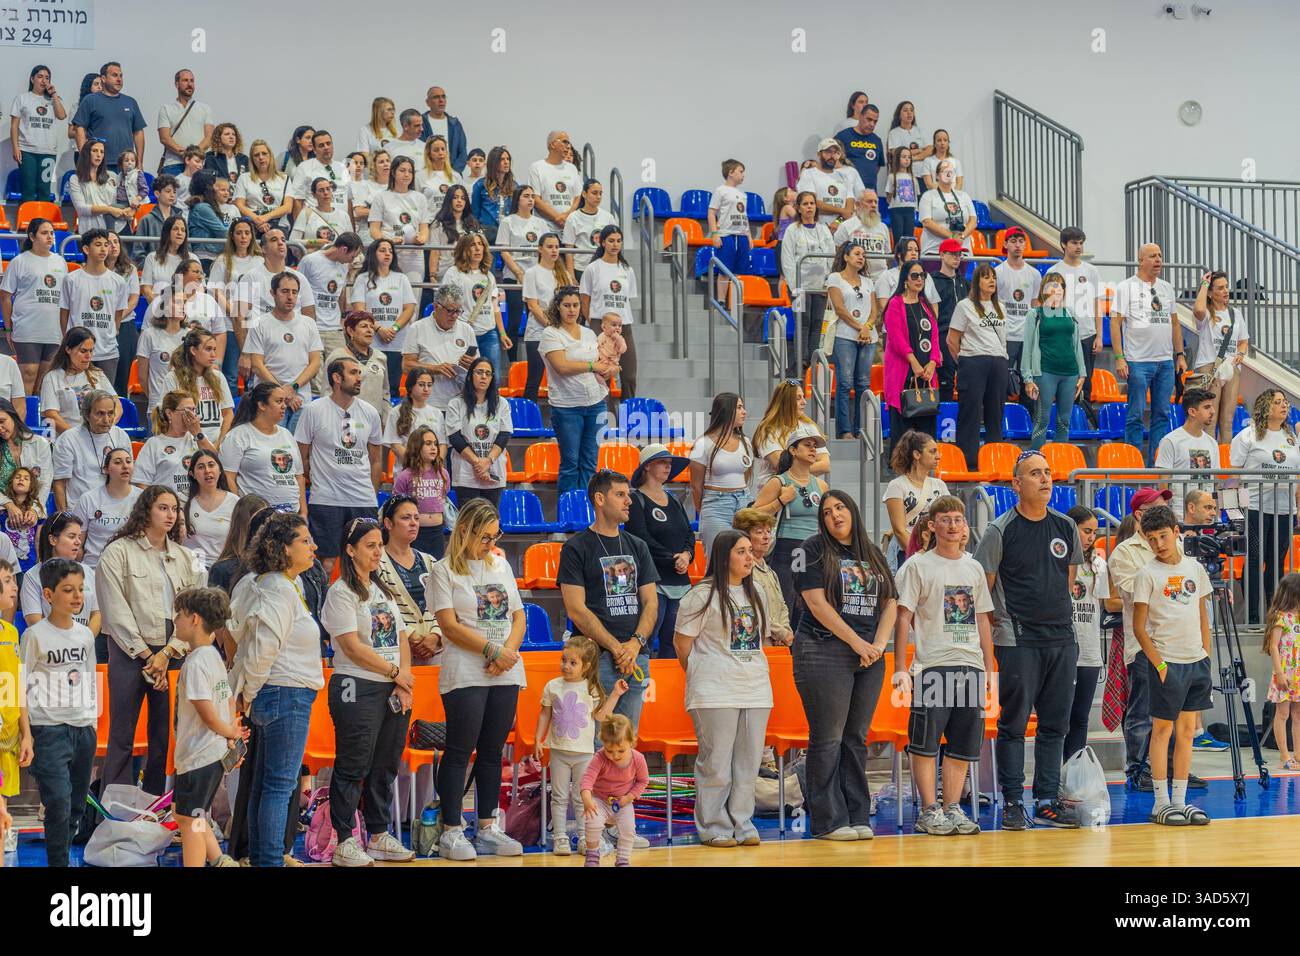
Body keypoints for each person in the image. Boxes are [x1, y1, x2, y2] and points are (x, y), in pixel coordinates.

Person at [973, 451, 1083, 829]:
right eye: (1035, 474)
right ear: (1017, 484)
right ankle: (1014, 802)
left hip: (1062, 639)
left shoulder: (1066, 527)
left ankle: (1048, 800)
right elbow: (981, 593)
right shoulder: (999, 531)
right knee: (1014, 725)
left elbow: (1067, 581)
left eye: (1048, 473)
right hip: (1017, 641)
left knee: (1056, 725)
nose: (1045, 479)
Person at [793, 490, 897, 840]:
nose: (834, 515)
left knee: (856, 739)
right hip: (823, 651)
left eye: (840, 507)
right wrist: (857, 643)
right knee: (828, 738)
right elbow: (817, 604)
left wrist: (879, 646)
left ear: (852, 510)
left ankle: (857, 816)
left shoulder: (873, 553)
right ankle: (828, 821)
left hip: (869, 655)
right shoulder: (811, 550)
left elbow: (891, 603)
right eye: (826, 512)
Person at [428, 498, 525, 860]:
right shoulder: (444, 571)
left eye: (494, 535)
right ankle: (452, 830)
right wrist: (491, 651)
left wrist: (507, 653)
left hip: (505, 669)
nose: (490, 544)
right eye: (484, 537)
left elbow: (518, 617)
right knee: (458, 750)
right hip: (466, 671)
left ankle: (487, 827)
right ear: (464, 531)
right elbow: (449, 625)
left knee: (491, 752)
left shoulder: (500, 564)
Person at [226, 512, 323, 867]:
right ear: (282, 548)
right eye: (303, 541)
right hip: (284, 694)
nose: (313, 546)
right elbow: (261, 648)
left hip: (276, 693)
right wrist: (248, 692)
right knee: (279, 788)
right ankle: (269, 861)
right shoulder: (277, 589)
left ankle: (262, 858)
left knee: (266, 786)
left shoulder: (271, 583)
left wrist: (250, 692)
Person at [893, 496, 993, 835]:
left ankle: (952, 808)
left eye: (958, 519)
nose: (952, 525)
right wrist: (900, 668)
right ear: (931, 525)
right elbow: (902, 617)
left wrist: (989, 668)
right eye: (945, 519)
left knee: (963, 745)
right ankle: (928, 809)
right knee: (925, 743)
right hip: (932, 666)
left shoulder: (974, 567)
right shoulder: (917, 566)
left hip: (971, 666)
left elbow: (982, 621)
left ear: (965, 525)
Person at [321, 517, 417, 867]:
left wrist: (403, 677)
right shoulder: (340, 592)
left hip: (392, 687)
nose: (379, 552)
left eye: (380, 544)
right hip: (355, 686)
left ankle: (378, 835)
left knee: (385, 764)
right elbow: (351, 645)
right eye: (371, 546)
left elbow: (402, 636)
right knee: (353, 764)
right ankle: (345, 839)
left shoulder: (385, 590)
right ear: (350, 550)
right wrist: (395, 672)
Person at [97, 485, 205, 795]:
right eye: (163, 507)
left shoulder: (187, 557)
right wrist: (148, 656)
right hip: (130, 652)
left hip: (172, 653)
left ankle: (156, 804)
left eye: (174, 509)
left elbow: (194, 609)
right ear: (146, 510)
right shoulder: (118, 551)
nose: (170, 514)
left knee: (164, 737)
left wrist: (169, 652)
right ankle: (115, 811)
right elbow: (114, 610)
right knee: (122, 735)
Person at [671, 530, 773, 847]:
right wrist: (704, 674)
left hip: (755, 688)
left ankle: (742, 823)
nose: (749, 556)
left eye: (749, 551)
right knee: (716, 763)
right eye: (741, 551)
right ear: (724, 556)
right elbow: (681, 644)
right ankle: (714, 825)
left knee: (748, 762)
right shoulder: (701, 595)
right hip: (714, 690)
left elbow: (761, 641)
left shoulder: (757, 592)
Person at [560, 469, 659, 736]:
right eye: (620, 495)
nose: (629, 501)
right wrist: (617, 649)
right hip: (596, 658)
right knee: (595, 743)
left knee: (626, 743)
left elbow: (650, 602)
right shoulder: (576, 547)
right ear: (600, 499)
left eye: (628, 494)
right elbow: (576, 609)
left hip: (636, 656)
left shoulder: (638, 545)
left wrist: (635, 644)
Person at [1131, 505, 1214, 826]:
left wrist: (1205, 654)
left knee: (1187, 733)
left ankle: (1180, 800)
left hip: (1196, 661)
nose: (1158, 544)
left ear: (1177, 532)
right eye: (1151, 540)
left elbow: (1203, 616)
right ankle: (1160, 801)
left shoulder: (1195, 568)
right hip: (1167, 662)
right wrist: (1160, 664)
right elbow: (1139, 628)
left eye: (1163, 536)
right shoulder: (1147, 574)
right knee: (1162, 731)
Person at [19, 558, 98, 866]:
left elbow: (90, 679)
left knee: (76, 807)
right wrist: (27, 734)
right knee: (59, 805)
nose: (77, 596)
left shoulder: (85, 636)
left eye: (80, 589)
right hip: (48, 731)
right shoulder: (34, 635)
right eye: (68, 590)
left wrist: (91, 720)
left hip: (83, 730)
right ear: (49, 595)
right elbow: (17, 686)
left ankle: (61, 858)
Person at [534, 637, 627, 854]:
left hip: (584, 754)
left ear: (586, 666)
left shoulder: (591, 688)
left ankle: (585, 837)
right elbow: (544, 714)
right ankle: (560, 838)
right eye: (563, 660)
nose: (566, 665)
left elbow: (602, 716)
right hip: (558, 752)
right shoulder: (552, 686)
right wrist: (538, 740)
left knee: (581, 797)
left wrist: (615, 694)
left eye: (572, 662)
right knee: (558, 797)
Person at [171, 586, 242, 868]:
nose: (175, 619)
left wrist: (230, 733)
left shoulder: (197, 662)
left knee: (189, 821)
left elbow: (208, 713)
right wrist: (229, 735)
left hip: (199, 754)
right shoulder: (213, 656)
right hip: (208, 753)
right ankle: (220, 860)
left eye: (180, 614)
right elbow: (226, 704)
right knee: (193, 816)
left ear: (195, 619)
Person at [295, 356, 382, 575]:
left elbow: (376, 460)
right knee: (327, 563)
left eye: (359, 373)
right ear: (336, 377)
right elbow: (300, 457)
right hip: (326, 498)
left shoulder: (370, 412)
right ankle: (323, 608)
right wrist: (313, 482)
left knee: (366, 563)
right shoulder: (313, 410)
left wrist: (371, 493)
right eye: (353, 373)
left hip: (362, 498)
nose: (359, 378)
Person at [1112, 243, 1188, 465]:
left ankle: (1158, 463)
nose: (1158, 260)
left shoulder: (1167, 288)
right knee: (1135, 415)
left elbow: (1174, 324)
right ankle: (1133, 463)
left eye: (1160, 256)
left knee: (1161, 415)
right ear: (1141, 260)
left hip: (1164, 361)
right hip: (1137, 361)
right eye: (1153, 256)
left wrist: (1180, 355)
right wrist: (1119, 357)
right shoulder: (1126, 287)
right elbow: (1115, 323)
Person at [1230, 388, 1300, 623]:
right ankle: (1252, 616)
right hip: (1255, 507)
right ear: (1265, 407)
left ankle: (1274, 617)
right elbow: (1233, 475)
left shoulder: (1291, 437)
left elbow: (1297, 477)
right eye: (1278, 402)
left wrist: (1297, 509)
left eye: (1285, 402)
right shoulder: (1248, 436)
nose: (1284, 406)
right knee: (1254, 560)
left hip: (1284, 508)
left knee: (1277, 564)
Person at [753, 423, 829, 623]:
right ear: (793, 450)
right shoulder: (779, 482)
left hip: (813, 551)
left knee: (810, 610)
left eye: (815, 445)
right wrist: (780, 501)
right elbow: (751, 515)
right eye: (807, 445)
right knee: (784, 607)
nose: (813, 449)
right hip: (787, 550)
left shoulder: (821, 485)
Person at [541, 287, 612, 495]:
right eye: (566, 305)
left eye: (575, 305)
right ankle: (570, 512)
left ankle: (587, 514)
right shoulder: (550, 333)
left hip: (596, 402)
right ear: (558, 307)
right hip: (566, 407)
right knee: (570, 464)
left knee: (590, 463)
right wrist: (592, 367)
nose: (572, 310)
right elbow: (561, 367)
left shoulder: (590, 333)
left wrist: (609, 368)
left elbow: (602, 363)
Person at [625, 444, 693, 658]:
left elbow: (689, 533)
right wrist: (673, 559)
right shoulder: (636, 500)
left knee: (674, 643)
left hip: (680, 580)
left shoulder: (673, 498)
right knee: (647, 638)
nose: (668, 466)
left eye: (670, 463)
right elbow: (640, 539)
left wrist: (687, 555)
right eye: (663, 462)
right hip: (653, 581)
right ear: (647, 467)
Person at [1065, 505, 1120, 761]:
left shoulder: (1098, 563)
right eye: (1086, 531)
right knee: (1058, 719)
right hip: (1062, 649)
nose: (1090, 537)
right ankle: (1054, 778)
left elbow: (1107, 604)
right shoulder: (1059, 559)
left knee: (1080, 718)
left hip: (1089, 650)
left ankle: (1074, 773)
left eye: (1094, 532)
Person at [945, 263, 1008, 468]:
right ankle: (967, 462)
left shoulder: (1001, 307)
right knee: (970, 414)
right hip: (972, 362)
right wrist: (965, 361)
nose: (991, 281)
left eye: (994, 277)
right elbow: (952, 340)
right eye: (986, 277)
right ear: (976, 281)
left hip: (998, 362)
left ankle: (994, 461)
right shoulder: (965, 305)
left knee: (995, 415)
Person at [244, 271, 323, 430]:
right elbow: (257, 365)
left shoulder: (308, 323)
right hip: (269, 401)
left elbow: (315, 363)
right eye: (285, 291)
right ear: (273, 293)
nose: (290, 296)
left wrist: (293, 388)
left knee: (299, 452)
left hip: (301, 399)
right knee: (274, 450)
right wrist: (282, 393)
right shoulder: (259, 323)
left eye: (294, 292)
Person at [1, 218, 70, 394]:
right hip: (28, 327)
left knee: (45, 380)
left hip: (53, 330)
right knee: (28, 374)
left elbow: (66, 299)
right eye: (44, 233)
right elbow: (5, 296)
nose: (50, 237)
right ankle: (22, 419)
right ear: (32, 236)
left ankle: (40, 420)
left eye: (52, 233)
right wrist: (8, 329)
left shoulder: (60, 262)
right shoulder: (19, 261)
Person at [1021, 272, 1085, 450]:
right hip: (1045, 372)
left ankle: (1060, 462)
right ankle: (1035, 461)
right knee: (1042, 419)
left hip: (1070, 373)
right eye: (1053, 285)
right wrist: (1027, 378)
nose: (1057, 289)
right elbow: (1027, 348)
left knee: (1064, 420)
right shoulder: (1035, 314)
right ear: (1044, 289)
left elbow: (1076, 344)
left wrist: (1082, 373)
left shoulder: (1069, 313)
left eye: (1061, 285)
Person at [20, 514, 102, 653]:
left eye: (79, 537)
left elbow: (97, 614)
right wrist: (64, 646)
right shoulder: (33, 576)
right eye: (71, 536)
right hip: (48, 652)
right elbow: (34, 620)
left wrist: (84, 641)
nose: (77, 542)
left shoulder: (88, 572)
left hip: (83, 649)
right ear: (53, 539)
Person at [1045, 226, 1104, 419]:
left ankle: (1083, 418)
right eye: (1074, 243)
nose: (1079, 247)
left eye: (1081, 243)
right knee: (1062, 379)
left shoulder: (1092, 271)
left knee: (1085, 382)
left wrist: (1099, 335)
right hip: (1063, 336)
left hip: (1087, 334)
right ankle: (1062, 419)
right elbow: (1048, 306)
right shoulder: (1054, 272)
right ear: (1063, 244)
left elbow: (1097, 305)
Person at [376, 495, 442, 665]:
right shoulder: (376, 562)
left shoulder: (430, 561)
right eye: (406, 518)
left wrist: (435, 635)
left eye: (416, 518)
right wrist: (410, 634)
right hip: (395, 651)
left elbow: (444, 604)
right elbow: (381, 608)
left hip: (435, 650)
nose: (413, 523)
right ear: (388, 523)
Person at [220, 383, 305, 513]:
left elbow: (299, 477)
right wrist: (240, 511)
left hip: (291, 515)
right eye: (278, 401)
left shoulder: (287, 434)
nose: (284, 406)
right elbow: (228, 477)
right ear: (262, 405)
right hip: (256, 515)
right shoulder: (238, 435)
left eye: (284, 401)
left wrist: (303, 512)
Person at [883, 262, 941, 448]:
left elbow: (934, 336)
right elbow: (896, 338)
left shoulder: (926, 305)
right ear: (905, 280)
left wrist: (932, 362)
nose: (919, 279)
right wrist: (914, 363)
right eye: (914, 275)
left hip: (926, 375)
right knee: (903, 431)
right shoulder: (895, 304)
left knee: (926, 430)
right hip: (904, 373)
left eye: (922, 275)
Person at [444, 356, 512, 510]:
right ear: (470, 376)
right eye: (479, 372)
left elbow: (504, 435)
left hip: (494, 471)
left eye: (488, 373)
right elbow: (455, 438)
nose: (483, 377)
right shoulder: (456, 403)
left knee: (490, 523)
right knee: (468, 524)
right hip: (466, 473)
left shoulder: (502, 403)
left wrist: (487, 462)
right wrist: (478, 463)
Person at [824, 243, 877, 438]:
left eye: (863, 254)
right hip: (844, 335)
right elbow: (839, 309)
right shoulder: (835, 278)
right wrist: (860, 328)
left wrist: (868, 327)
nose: (861, 257)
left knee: (863, 384)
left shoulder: (868, 281)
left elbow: (874, 311)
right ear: (846, 257)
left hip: (868, 336)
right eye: (856, 254)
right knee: (845, 383)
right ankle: (845, 430)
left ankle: (861, 430)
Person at [579, 714, 648, 867]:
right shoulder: (599, 758)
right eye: (610, 751)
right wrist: (586, 798)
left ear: (632, 741)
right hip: (600, 800)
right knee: (592, 822)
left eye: (621, 751)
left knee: (628, 829)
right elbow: (587, 779)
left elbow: (643, 781)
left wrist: (629, 797)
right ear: (603, 743)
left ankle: (623, 860)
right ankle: (592, 856)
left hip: (623, 802)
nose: (615, 755)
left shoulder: (638, 759)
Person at [59, 228, 126, 382]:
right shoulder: (71, 279)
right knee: (78, 396)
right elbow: (64, 313)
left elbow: (118, 314)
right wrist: (70, 341)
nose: (103, 249)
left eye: (106, 244)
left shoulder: (118, 281)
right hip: (77, 350)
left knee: (106, 398)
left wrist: (112, 332)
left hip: (107, 350)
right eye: (98, 244)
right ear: (86, 249)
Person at [690, 392, 752, 555]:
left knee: (744, 557)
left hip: (744, 502)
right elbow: (696, 487)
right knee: (717, 559)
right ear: (726, 411)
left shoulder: (746, 442)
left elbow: (745, 475)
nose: (744, 411)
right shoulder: (702, 444)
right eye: (739, 407)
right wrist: (705, 511)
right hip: (716, 505)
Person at [579, 226, 638, 398]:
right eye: (611, 240)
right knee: (602, 374)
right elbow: (584, 299)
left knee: (629, 376)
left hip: (624, 325)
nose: (615, 244)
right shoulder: (593, 268)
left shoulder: (627, 270)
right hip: (600, 324)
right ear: (602, 242)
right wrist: (594, 325)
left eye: (619, 241)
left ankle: (628, 416)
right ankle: (607, 416)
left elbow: (628, 299)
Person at [299, 234, 364, 389]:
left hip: (334, 328)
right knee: (316, 379)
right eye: (352, 256)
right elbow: (297, 290)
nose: (353, 260)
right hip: (314, 327)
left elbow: (340, 293)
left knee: (342, 376)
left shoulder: (343, 265)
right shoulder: (310, 261)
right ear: (343, 249)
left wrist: (342, 316)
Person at [1191, 270, 1250, 438]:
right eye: (1220, 288)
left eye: (1227, 287)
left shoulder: (1235, 314)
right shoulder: (1206, 313)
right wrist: (1204, 284)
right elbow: (1199, 309)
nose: (1226, 291)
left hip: (1231, 367)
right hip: (1209, 366)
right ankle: (1210, 461)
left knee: (1228, 420)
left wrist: (1241, 353)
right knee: (1209, 419)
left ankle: (1225, 460)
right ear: (1210, 293)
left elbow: (1243, 340)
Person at [354, 239, 418, 393]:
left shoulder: (401, 278)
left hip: (397, 341)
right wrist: (378, 328)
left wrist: (394, 328)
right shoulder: (363, 278)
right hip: (371, 342)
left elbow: (409, 308)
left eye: (390, 250)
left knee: (394, 388)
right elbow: (359, 310)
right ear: (373, 254)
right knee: (369, 388)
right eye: (382, 250)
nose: (387, 253)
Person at [781, 191, 836, 371]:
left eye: (812, 203)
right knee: (802, 323)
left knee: (817, 323)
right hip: (800, 287)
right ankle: (800, 361)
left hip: (820, 286)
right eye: (805, 204)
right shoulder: (792, 230)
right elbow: (787, 260)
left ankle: (813, 360)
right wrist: (794, 286)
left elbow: (831, 256)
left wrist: (827, 282)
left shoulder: (823, 229)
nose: (810, 207)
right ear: (798, 207)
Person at [51, 390, 130, 511]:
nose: (106, 420)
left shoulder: (121, 435)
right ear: (87, 415)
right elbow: (59, 483)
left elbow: (128, 477)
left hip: (117, 509)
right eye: (100, 414)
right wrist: (65, 518)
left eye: (110, 413)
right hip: (80, 511)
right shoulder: (68, 439)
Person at [402, 281, 476, 408]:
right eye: (450, 311)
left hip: (459, 404)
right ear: (436, 307)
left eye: (458, 311)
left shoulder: (466, 329)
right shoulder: (417, 328)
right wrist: (435, 369)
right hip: (428, 404)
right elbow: (406, 366)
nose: (455, 316)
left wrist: (472, 364)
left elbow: (476, 366)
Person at [882, 430, 948, 569]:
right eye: (932, 451)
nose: (938, 456)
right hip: (907, 554)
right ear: (917, 455)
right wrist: (920, 558)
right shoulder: (897, 485)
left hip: (937, 552)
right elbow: (900, 530)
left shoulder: (939, 485)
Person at [446, 233, 507, 377]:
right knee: (463, 377)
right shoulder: (454, 273)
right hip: (464, 332)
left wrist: (502, 333)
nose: (478, 248)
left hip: (489, 333)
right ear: (464, 249)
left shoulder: (489, 276)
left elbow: (495, 307)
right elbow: (446, 304)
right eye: (473, 245)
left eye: (481, 244)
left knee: (494, 379)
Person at [752, 380, 830, 490]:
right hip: (775, 492)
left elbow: (825, 465)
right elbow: (781, 466)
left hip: (806, 490)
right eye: (798, 398)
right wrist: (809, 466)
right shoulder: (768, 430)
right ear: (785, 402)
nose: (804, 402)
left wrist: (796, 468)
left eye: (803, 397)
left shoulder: (809, 426)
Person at [1154, 386, 1219, 519]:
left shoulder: (1212, 443)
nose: (1213, 411)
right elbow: (1163, 482)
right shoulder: (1170, 440)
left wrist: (1217, 513)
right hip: (1180, 513)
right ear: (1192, 412)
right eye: (1207, 407)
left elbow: (1215, 482)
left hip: (1207, 515)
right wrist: (1168, 514)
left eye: (1212, 407)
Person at [524, 234, 575, 403]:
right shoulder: (532, 273)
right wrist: (551, 326)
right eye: (549, 246)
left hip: (561, 335)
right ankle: (527, 420)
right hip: (538, 333)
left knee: (563, 380)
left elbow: (570, 304)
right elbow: (533, 305)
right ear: (540, 249)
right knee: (534, 379)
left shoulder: (564, 275)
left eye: (556, 247)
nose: (554, 250)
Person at [162, 327, 234, 446]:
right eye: (208, 349)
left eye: (214, 349)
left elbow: (228, 414)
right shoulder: (173, 378)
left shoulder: (218, 377)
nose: (213, 355)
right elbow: (167, 415)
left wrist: (219, 443)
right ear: (193, 350)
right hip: (185, 444)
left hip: (217, 445)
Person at [496, 185, 545, 358]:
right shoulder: (508, 222)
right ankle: (512, 362)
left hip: (536, 277)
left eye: (533, 196)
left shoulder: (541, 223)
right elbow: (503, 250)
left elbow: (545, 251)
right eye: (526, 196)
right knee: (515, 320)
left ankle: (538, 360)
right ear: (518, 199)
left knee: (537, 321)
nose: (531, 199)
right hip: (514, 277)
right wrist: (518, 272)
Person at [71, 61, 146, 174]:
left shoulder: (130, 102)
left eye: (121, 76)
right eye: (114, 75)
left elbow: (138, 132)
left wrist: (139, 162)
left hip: (127, 164)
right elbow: (79, 129)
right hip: (99, 163)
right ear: (103, 78)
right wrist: (84, 158)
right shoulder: (90, 100)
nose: (119, 79)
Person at [72, 445, 140, 563]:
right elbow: (77, 543)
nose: (125, 466)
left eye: (129, 461)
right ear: (106, 469)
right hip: (95, 568)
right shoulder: (88, 499)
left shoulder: (143, 498)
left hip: (132, 568)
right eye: (118, 462)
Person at [392, 425, 450, 559]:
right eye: (428, 444)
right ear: (417, 447)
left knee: (435, 568)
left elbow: (444, 494)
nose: (434, 447)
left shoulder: (443, 473)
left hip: (437, 532)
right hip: (414, 533)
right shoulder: (405, 476)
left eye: (435, 443)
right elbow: (397, 504)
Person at [10, 65, 67, 202]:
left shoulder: (54, 100)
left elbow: (62, 116)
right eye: (40, 77)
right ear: (32, 79)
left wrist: (54, 95)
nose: (43, 81)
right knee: (28, 189)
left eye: (47, 78)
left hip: (48, 152)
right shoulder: (22, 98)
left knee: (44, 190)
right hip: (27, 151)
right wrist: (15, 148)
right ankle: (28, 222)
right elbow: (14, 125)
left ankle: (43, 223)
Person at [326, 310, 390, 425]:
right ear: (350, 331)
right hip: (343, 421)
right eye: (364, 326)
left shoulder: (380, 357)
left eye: (371, 327)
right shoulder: (337, 356)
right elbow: (327, 391)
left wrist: (385, 422)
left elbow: (385, 393)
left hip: (374, 421)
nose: (370, 330)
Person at [1264, 574, 1300, 770]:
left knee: (1298, 715)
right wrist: (1279, 673)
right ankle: (1284, 756)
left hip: (1299, 672)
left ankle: (1298, 754)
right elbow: (1274, 646)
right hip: (1285, 671)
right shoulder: (1281, 616)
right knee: (1283, 713)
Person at [0, 396, 53, 526]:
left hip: (33, 513)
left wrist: (34, 510)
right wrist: (8, 504)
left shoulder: (40, 444)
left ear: (12, 415)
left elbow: (45, 482)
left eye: (2, 421)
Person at [706, 159, 752, 301]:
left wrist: (749, 236)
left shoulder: (743, 195)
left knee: (739, 272)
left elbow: (744, 216)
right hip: (726, 235)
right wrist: (715, 234)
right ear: (731, 172)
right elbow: (711, 213)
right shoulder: (721, 191)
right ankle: (721, 301)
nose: (743, 175)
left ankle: (734, 303)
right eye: (740, 171)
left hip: (742, 236)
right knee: (725, 271)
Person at [183, 449, 236, 568]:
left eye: (211, 465)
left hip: (223, 569)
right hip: (192, 569)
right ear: (192, 474)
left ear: (220, 470)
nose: (207, 471)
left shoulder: (234, 502)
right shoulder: (183, 502)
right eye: (201, 467)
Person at [384, 367, 445, 465]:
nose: (426, 389)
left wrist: (434, 466)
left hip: (431, 472)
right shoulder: (396, 412)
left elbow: (442, 444)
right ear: (410, 386)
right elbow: (395, 445)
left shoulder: (437, 413)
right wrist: (415, 465)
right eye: (421, 385)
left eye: (429, 385)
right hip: (406, 470)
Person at [918, 159, 976, 259]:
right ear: (937, 176)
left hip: (962, 251)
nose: (948, 172)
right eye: (944, 170)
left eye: (951, 170)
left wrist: (961, 236)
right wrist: (952, 236)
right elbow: (927, 222)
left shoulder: (964, 196)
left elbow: (973, 221)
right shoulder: (928, 196)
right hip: (935, 250)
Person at [233, 140, 292, 237]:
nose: (261, 157)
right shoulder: (244, 178)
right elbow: (239, 205)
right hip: (252, 223)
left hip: (278, 224)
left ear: (270, 156)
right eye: (256, 155)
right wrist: (257, 220)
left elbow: (288, 207)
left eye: (264, 153)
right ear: (252, 159)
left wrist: (265, 218)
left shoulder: (284, 178)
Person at [288, 130, 350, 220]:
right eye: (321, 145)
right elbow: (298, 200)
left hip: (341, 221)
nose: (326, 147)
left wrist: (351, 229)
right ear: (314, 149)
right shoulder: (304, 167)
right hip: (315, 222)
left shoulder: (342, 167)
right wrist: (299, 227)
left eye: (328, 143)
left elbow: (348, 199)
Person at [874, 236, 941, 319]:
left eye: (916, 250)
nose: (914, 253)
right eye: (909, 250)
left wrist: (932, 322)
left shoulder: (926, 276)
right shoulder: (887, 276)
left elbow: (934, 304)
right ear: (899, 254)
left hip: (924, 326)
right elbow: (885, 307)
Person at [427, 183, 481, 284]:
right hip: (444, 274)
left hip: (468, 274)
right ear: (449, 200)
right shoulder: (438, 223)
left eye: (463, 198)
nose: (459, 201)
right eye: (455, 197)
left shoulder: (473, 223)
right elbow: (434, 252)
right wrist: (432, 274)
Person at [562, 180, 617, 278]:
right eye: (594, 193)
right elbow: (568, 250)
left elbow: (615, 245)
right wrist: (571, 276)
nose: (598, 197)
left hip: (602, 267)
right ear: (584, 194)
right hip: (581, 269)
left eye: (600, 193)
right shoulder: (573, 218)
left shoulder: (608, 217)